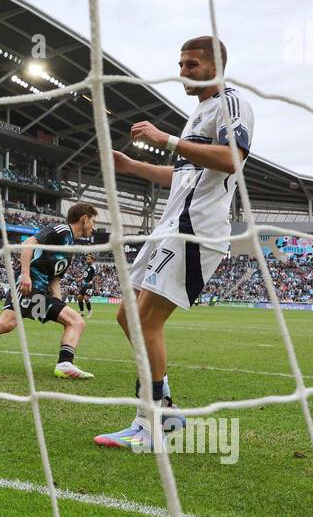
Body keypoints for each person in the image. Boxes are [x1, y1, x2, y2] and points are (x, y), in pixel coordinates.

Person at [96, 35, 254, 451]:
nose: (183, 71)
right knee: (127, 317)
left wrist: (164, 139)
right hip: (171, 225)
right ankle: (164, 411)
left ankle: (150, 426)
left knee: (147, 321)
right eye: (181, 64)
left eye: (192, 65)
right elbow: (183, 174)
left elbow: (234, 159)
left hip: (195, 229)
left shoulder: (230, 104)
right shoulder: (200, 112)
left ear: (216, 67)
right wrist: (133, 165)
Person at [0, 203, 98, 380]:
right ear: (84, 218)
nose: (93, 226)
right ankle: (65, 364)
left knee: (6, 323)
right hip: (30, 287)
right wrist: (25, 275)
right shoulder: (60, 230)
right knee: (77, 321)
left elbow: (55, 279)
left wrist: (60, 304)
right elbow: (28, 243)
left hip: (36, 289)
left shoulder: (70, 249)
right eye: (92, 221)